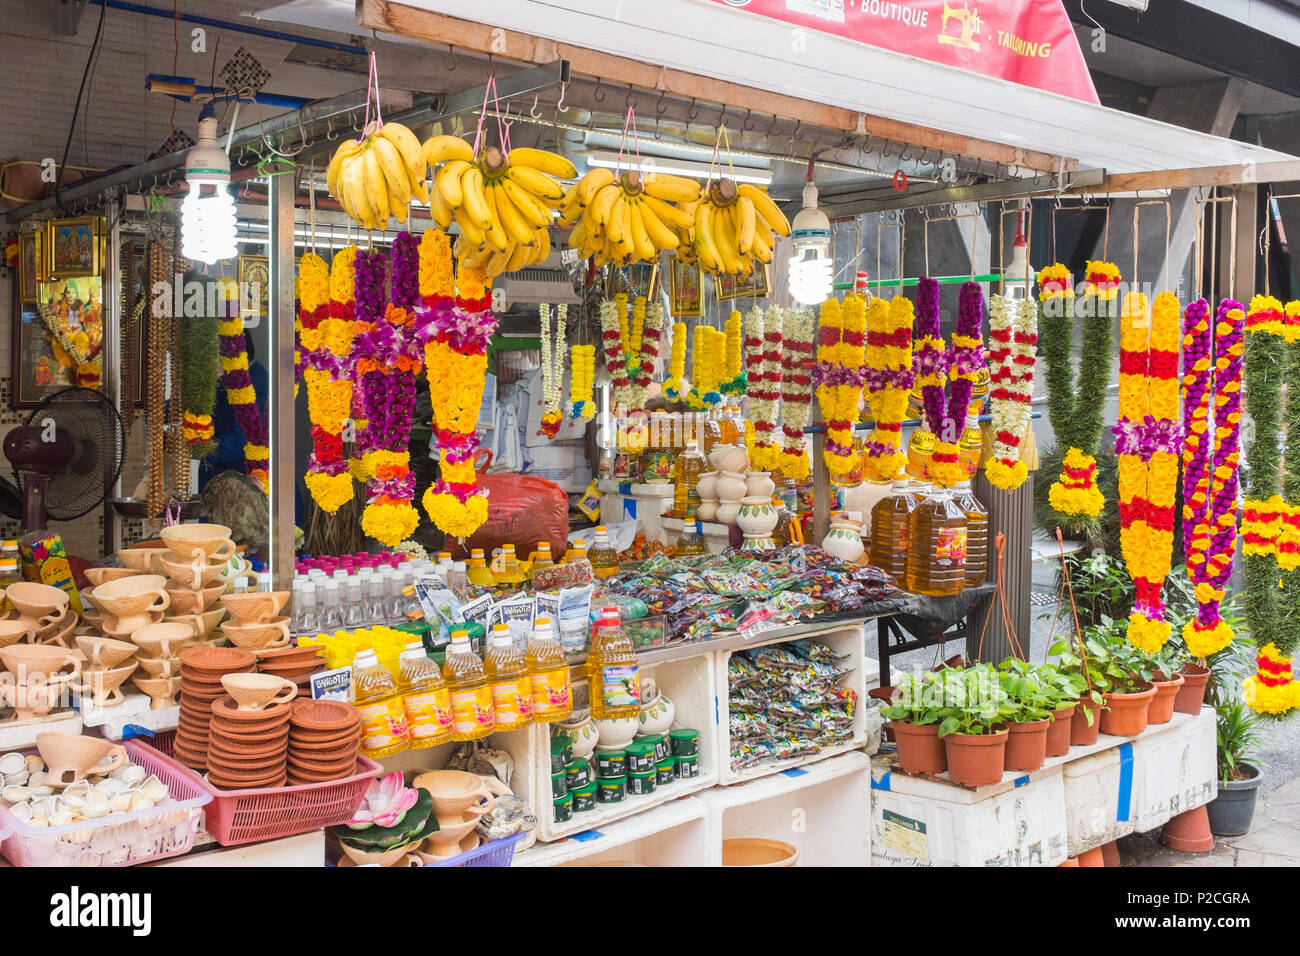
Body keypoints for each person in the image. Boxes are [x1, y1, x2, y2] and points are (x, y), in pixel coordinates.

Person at [199, 330, 269, 491]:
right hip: (213, 478)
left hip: (245, 485)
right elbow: (192, 405)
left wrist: (196, 450)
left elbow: (240, 443)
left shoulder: (256, 383)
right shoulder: (222, 378)